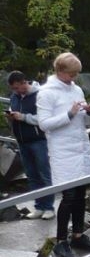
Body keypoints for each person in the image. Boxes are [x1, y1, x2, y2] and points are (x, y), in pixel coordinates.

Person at [35, 53, 90, 257]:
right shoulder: (45, 93)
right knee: (69, 196)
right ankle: (61, 240)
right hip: (62, 150)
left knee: (80, 193)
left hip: (79, 146)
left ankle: (78, 235)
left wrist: (88, 112)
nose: (74, 77)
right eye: (72, 73)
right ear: (60, 71)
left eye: (76, 74)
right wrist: (70, 114)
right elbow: (44, 124)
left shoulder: (77, 89)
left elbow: (85, 121)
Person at [6, 71, 55, 218]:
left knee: (44, 174)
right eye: (13, 89)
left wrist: (23, 117)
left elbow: (44, 119)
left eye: (16, 88)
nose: (15, 91)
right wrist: (11, 117)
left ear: (24, 82)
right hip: (22, 141)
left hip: (39, 140)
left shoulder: (39, 95)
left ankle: (49, 208)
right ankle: (39, 206)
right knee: (32, 175)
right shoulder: (14, 97)